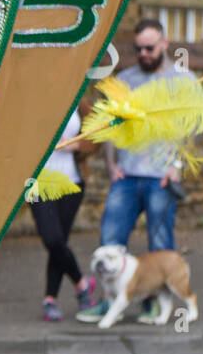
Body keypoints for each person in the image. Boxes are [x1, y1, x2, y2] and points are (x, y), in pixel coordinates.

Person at [78, 18, 193, 323]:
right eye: (138, 48)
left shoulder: (183, 80)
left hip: (162, 176)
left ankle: (154, 303)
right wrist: (111, 163)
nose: (143, 53)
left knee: (160, 245)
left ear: (165, 44)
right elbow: (111, 126)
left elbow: (191, 128)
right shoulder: (125, 79)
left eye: (150, 47)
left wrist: (176, 165)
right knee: (110, 238)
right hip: (126, 175)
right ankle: (108, 301)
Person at [30, 110, 95, 321]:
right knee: (53, 239)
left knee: (60, 242)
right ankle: (82, 284)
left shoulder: (80, 101)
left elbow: (96, 138)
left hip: (71, 183)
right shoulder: (30, 101)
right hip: (38, 183)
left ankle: (50, 300)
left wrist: (73, 145)